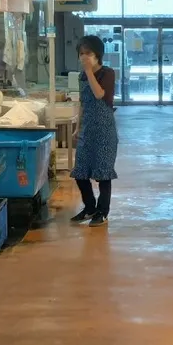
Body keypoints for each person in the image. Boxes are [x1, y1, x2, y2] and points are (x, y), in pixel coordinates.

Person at [70, 35, 118, 227]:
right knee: (81, 172)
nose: (84, 57)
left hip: (105, 130)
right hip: (87, 129)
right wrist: (77, 127)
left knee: (103, 173)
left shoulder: (107, 73)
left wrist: (89, 71)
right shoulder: (82, 76)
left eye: (88, 53)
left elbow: (99, 94)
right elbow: (83, 102)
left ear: (98, 55)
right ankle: (89, 207)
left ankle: (102, 211)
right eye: (81, 54)